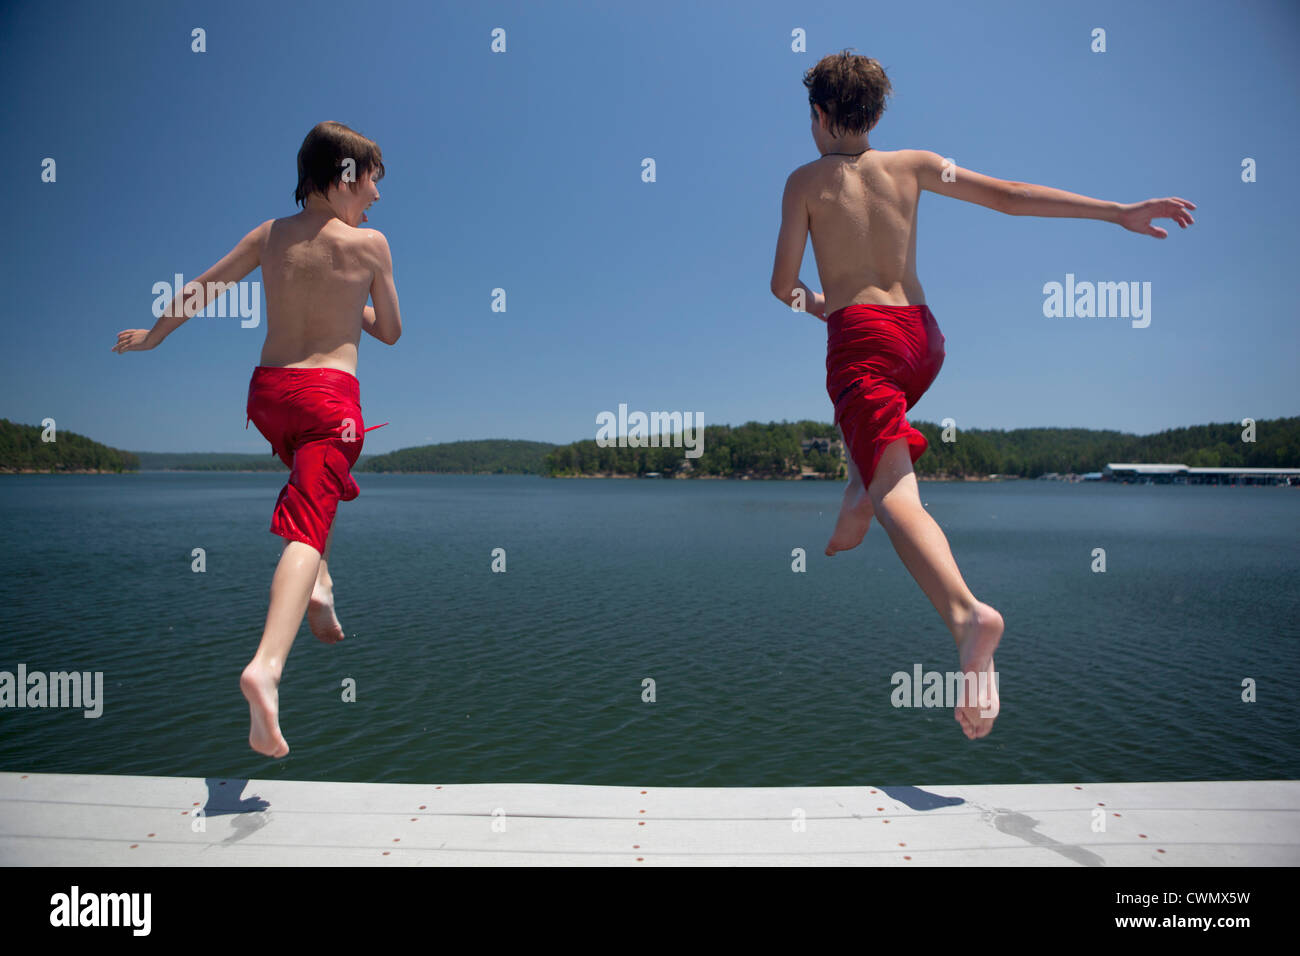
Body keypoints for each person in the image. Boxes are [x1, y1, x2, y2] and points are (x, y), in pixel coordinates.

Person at [769, 51, 1194, 739]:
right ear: (877, 113)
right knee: (875, 434)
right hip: (923, 340)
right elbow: (1010, 195)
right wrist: (1118, 211)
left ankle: (967, 613)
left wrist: (821, 305)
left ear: (818, 115)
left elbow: (781, 285)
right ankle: (858, 489)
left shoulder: (803, 183)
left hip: (862, 339)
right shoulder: (912, 165)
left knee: (894, 491)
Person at [113, 121, 403, 756]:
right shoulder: (370, 245)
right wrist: (354, 299)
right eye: (373, 180)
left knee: (310, 494)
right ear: (346, 176)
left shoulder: (268, 236)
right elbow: (391, 332)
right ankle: (266, 668)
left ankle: (320, 589)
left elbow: (201, 289)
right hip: (330, 400)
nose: (377, 197)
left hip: (270, 397)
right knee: (309, 523)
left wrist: (152, 336)